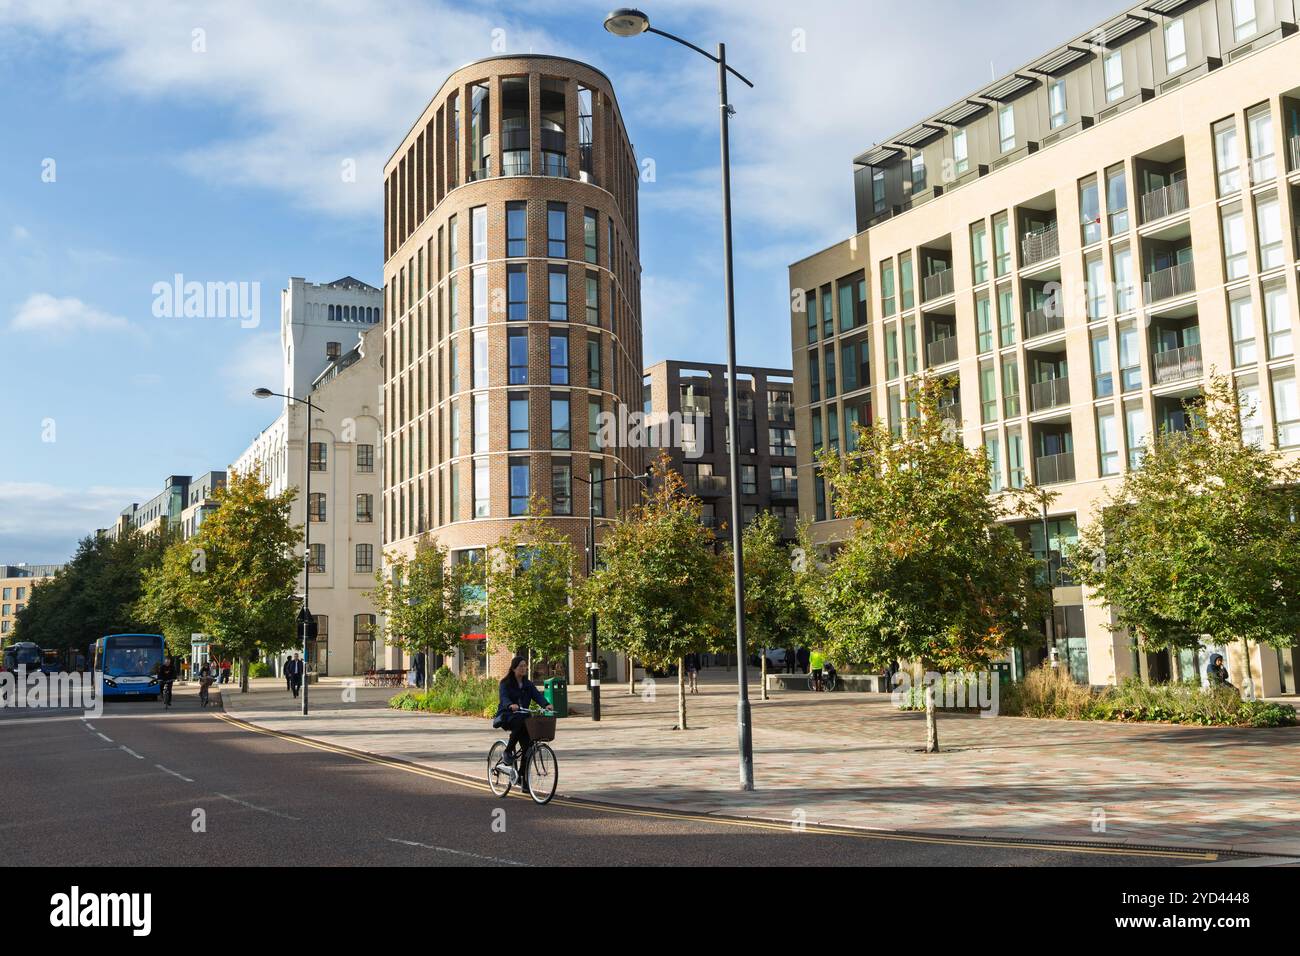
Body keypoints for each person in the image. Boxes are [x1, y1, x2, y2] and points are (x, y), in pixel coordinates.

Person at [493, 656, 551, 781]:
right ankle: (508, 751)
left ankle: (522, 778)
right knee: (520, 721)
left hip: (523, 717)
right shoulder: (505, 683)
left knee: (528, 748)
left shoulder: (528, 684)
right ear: (514, 668)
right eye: (521, 666)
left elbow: (537, 695)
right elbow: (504, 698)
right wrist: (510, 705)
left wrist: (546, 705)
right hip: (507, 716)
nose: (524, 668)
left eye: (525, 666)